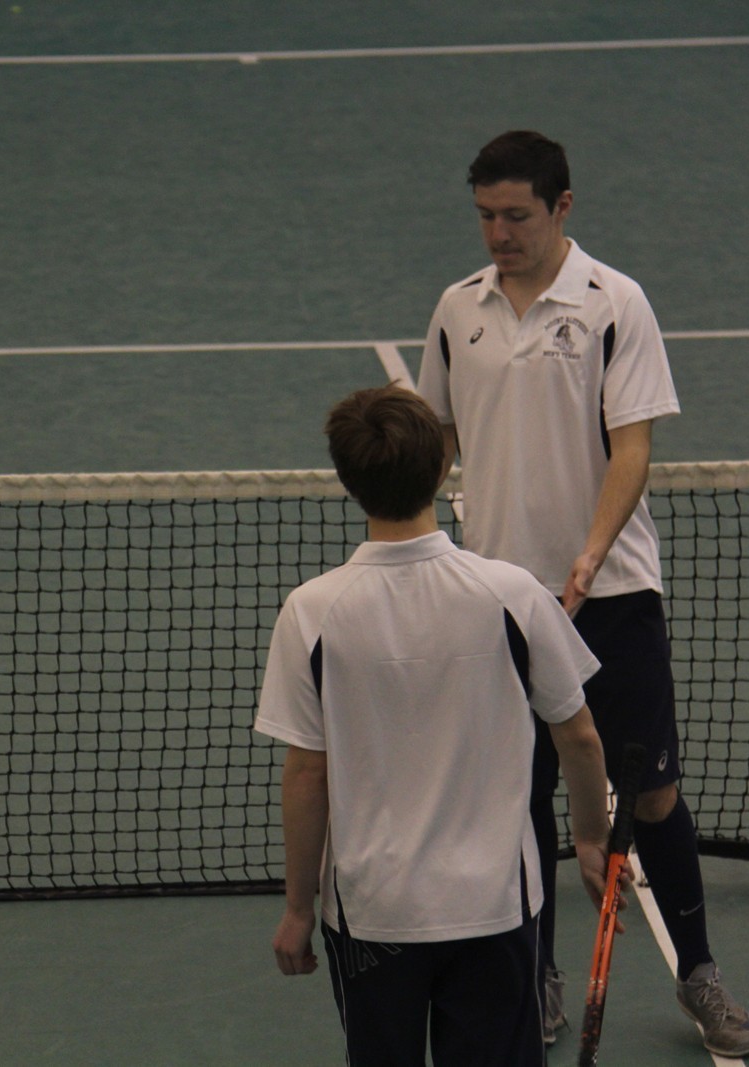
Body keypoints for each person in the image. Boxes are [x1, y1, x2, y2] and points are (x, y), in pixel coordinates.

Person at [415, 130, 749, 1057]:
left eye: (517, 215)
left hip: (611, 593)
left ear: (563, 207)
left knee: (651, 792)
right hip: (498, 597)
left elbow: (635, 444)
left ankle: (699, 973)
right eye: (486, 215)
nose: (499, 233)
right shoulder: (457, 309)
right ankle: (538, 975)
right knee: (518, 798)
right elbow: (438, 434)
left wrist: (590, 552)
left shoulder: (616, 303)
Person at [258, 385, 613, 1066]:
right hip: (495, 907)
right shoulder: (514, 594)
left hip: (372, 917)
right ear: (443, 467)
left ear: (349, 482)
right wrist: (591, 837)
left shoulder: (311, 612)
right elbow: (580, 735)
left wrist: (298, 908)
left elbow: (307, 774)